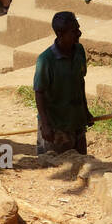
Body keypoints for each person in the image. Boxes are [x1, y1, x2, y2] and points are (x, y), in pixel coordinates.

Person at [34, 11, 94, 155]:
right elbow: (39, 92)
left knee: (81, 168)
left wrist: (85, 111)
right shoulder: (46, 60)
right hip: (56, 128)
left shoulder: (79, 51)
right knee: (55, 166)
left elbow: (80, 82)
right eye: (74, 31)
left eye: (78, 29)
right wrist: (46, 126)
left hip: (76, 123)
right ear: (60, 34)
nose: (79, 33)